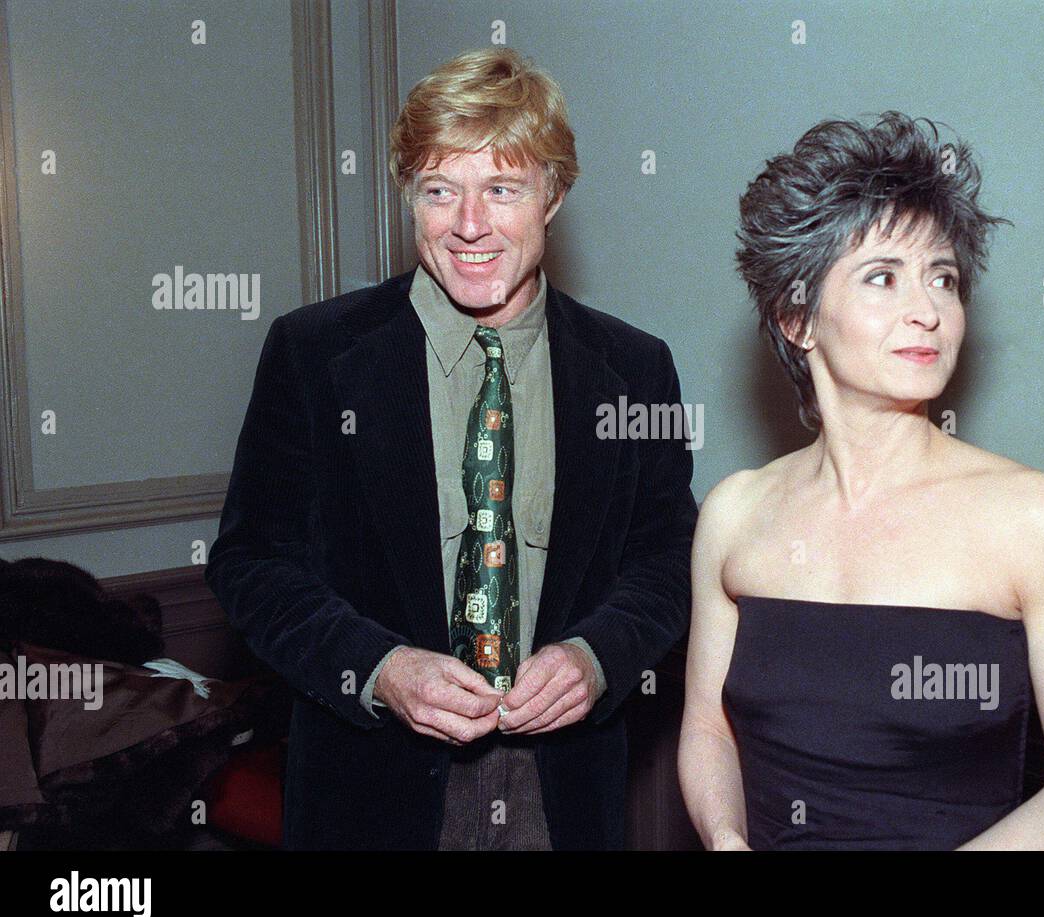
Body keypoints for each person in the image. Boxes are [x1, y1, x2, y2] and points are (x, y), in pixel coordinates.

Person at [205, 47, 697, 850]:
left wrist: (597, 655)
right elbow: (251, 561)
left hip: (565, 795)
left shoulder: (635, 369)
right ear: (410, 197)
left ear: (554, 195)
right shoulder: (313, 355)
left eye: (503, 189)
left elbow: (670, 556)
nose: (471, 225)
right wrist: (380, 669)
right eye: (441, 190)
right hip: (369, 797)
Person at [678, 113, 1044, 850]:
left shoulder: (1037, 519)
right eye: (883, 277)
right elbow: (705, 728)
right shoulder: (734, 513)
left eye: (943, 278)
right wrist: (728, 838)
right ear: (798, 316)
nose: (928, 311)